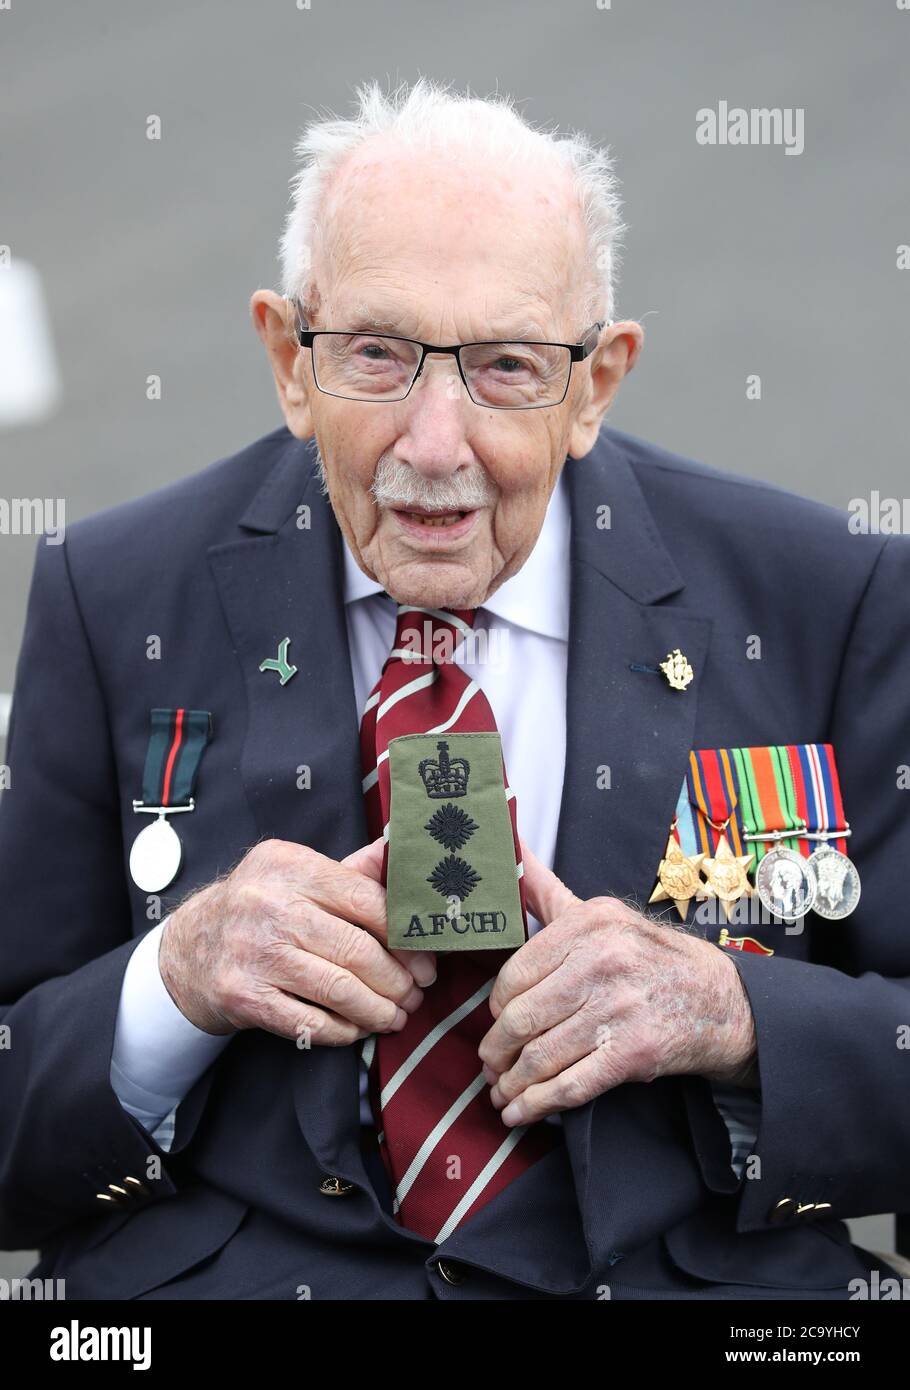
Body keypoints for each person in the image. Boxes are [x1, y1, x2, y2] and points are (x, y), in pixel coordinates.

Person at [1, 77, 908, 1300]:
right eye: (377, 353)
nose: (435, 444)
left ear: (594, 386)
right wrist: (175, 977)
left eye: (506, 366)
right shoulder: (111, 596)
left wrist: (733, 1012)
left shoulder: (824, 596)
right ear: (287, 357)